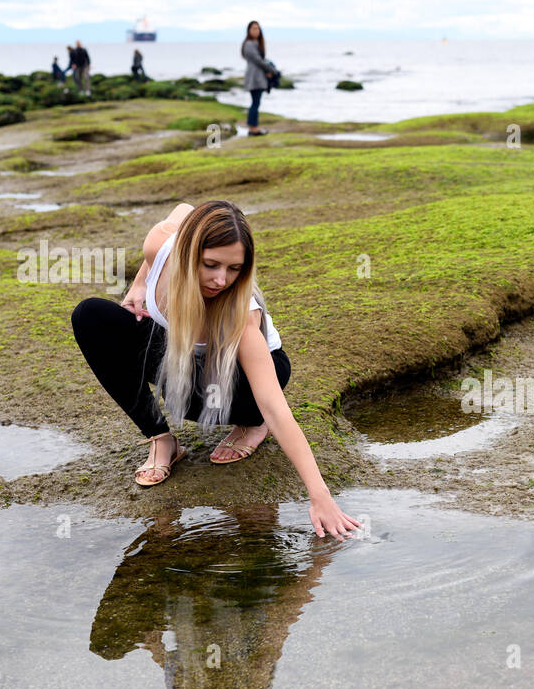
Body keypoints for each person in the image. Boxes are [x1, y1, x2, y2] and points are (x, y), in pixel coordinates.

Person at [70, 200, 359, 540]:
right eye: (210, 264)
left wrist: (320, 497)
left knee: (237, 408)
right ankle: (162, 440)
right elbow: (184, 208)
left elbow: (275, 407)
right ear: (188, 250)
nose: (221, 280)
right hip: (189, 362)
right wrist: (139, 284)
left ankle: (252, 427)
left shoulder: (241, 314)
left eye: (235, 268)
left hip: (245, 385)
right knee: (90, 315)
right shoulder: (159, 246)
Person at [241, 20, 279, 136]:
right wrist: (272, 70)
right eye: (253, 28)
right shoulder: (249, 44)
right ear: (249, 30)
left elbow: (260, 61)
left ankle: (254, 127)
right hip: (254, 79)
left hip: (258, 77)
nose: (256, 31)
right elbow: (258, 61)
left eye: (257, 28)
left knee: (256, 103)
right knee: (255, 103)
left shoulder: (256, 43)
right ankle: (253, 128)